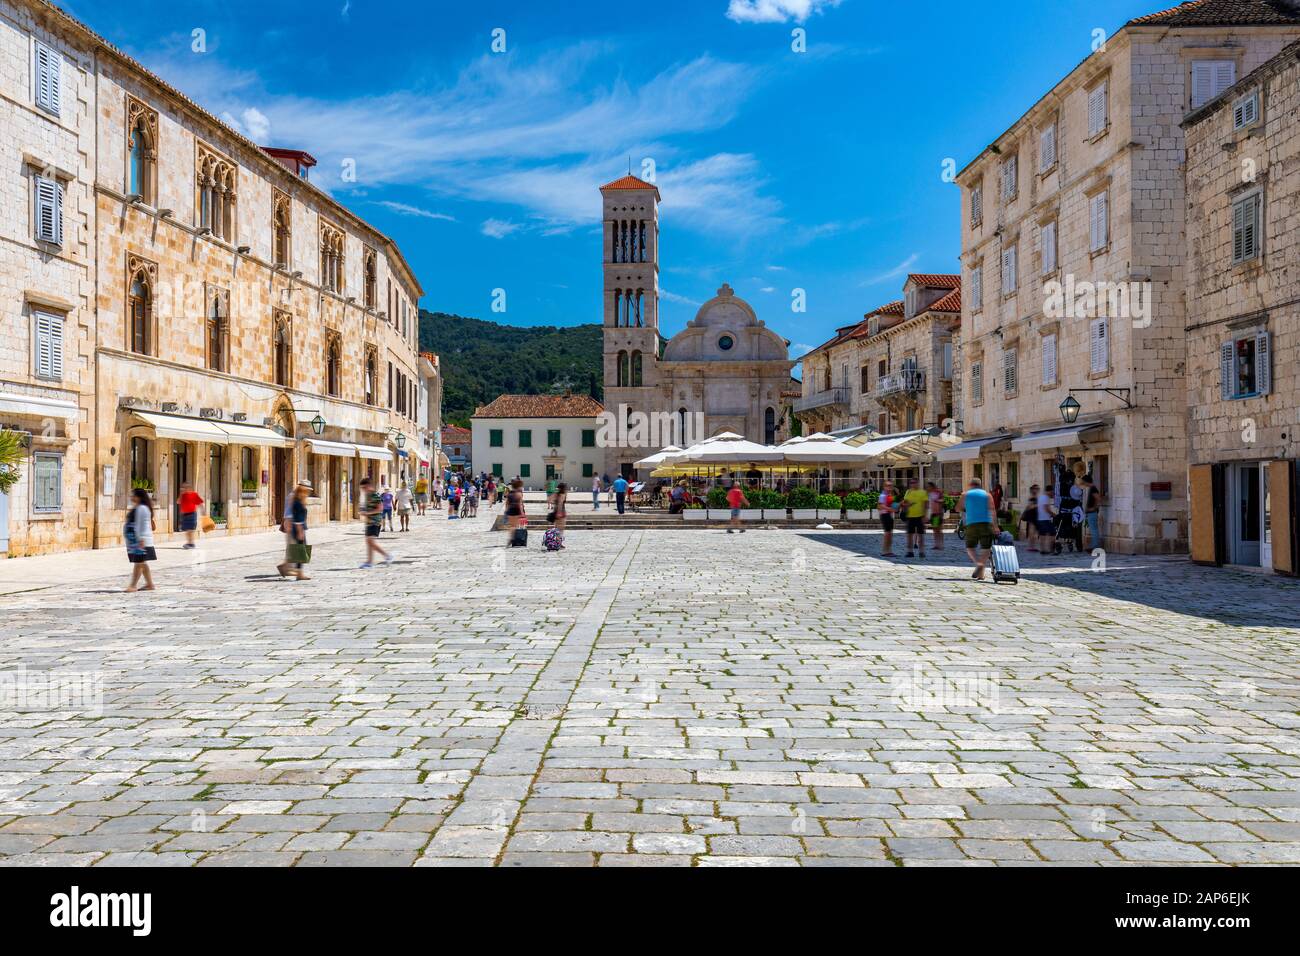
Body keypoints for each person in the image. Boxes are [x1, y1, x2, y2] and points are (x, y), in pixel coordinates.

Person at [958, 477, 996, 581]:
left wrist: (967, 508)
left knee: (970, 547)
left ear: (970, 485)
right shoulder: (988, 495)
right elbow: (992, 510)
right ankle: (981, 571)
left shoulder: (965, 495)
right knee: (986, 548)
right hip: (986, 523)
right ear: (980, 485)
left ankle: (979, 564)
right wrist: (995, 526)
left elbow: (957, 508)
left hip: (972, 524)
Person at [124, 486, 157, 592]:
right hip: (136, 540)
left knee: (139, 563)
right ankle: (149, 584)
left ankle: (133, 585)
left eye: (133, 495)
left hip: (141, 540)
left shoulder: (142, 508)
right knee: (142, 562)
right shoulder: (138, 507)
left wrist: (141, 539)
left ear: (138, 497)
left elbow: (141, 524)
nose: (131, 497)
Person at [277, 482, 311, 580]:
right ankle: (296, 572)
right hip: (297, 528)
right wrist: (300, 530)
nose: (308, 493)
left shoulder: (299, 500)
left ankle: (291, 569)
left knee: (299, 551)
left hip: (298, 528)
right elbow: (294, 516)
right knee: (301, 551)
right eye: (307, 491)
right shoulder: (296, 500)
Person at [358, 478, 391, 568]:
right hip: (369, 521)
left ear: (369, 486)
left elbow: (380, 508)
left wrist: (367, 513)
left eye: (364, 487)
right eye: (362, 488)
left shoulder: (375, 495)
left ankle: (386, 555)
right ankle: (369, 562)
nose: (363, 490)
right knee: (369, 542)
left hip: (375, 521)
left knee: (371, 542)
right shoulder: (367, 495)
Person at [901, 477, 929, 559]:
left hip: (920, 516)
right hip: (910, 516)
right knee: (909, 535)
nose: (913, 484)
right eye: (911, 482)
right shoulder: (908, 492)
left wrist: (925, 515)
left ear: (918, 483)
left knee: (921, 535)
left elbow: (926, 504)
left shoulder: (923, 492)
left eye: (914, 482)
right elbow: (904, 503)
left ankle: (921, 552)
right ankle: (910, 551)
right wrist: (906, 506)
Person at [177, 482, 203, 550]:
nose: (183, 489)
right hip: (184, 514)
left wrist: (203, 512)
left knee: (190, 530)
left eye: (185, 487)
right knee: (186, 530)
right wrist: (181, 494)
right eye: (183, 487)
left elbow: (200, 503)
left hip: (192, 514)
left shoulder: (194, 494)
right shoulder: (182, 495)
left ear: (189, 488)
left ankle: (191, 543)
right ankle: (189, 543)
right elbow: (178, 502)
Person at [1035, 483, 1058, 556]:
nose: (1052, 494)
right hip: (1045, 519)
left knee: (1042, 535)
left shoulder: (1040, 497)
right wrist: (1053, 514)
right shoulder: (1045, 498)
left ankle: (1043, 550)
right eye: (1052, 492)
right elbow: (1046, 508)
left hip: (1040, 519)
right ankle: (1052, 550)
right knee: (1053, 533)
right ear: (1049, 491)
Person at [878, 480, 897, 557]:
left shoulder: (889, 495)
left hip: (889, 515)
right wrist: (891, 509)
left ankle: (889, 550)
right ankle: (885, 551)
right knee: (887, 534)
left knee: (890, 534)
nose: (890, 487)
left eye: (890, 486)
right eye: (888, 486)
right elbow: (881, 506)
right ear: (884, 487)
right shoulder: (882, 495)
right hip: (885, 515)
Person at [1083, 475, 1102, 549]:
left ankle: (1095, 546)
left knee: (1094, 529)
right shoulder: (1091, 488)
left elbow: (1098, 499)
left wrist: (1093, 508)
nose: (1083, 484)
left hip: (1092, 513)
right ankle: (1094, 545)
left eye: (1084, 482)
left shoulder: (1093, 488)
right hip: (1090, 512)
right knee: (1093, 529)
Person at [926, 481, 945, 551]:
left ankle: (941, 545)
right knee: (934, 529)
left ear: (932, 486)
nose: (927, 488)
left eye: (928, 486)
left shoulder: (938, 492)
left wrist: (938, 500)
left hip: (938, 513)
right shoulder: (929, 494)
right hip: (933, 513)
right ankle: (936, 544)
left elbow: (943, 500)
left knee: (939, 530)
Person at [1021, 484, 1040, 552]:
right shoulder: (1032, 497)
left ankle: (1032, 546)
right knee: (1032, 532)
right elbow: (1030, 506)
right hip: (1032, 516)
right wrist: (1038, 505)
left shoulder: (1035, 496)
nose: (1037, 490)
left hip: (1034, 515)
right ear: (1033, 489)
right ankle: (1031, 546)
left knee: (1034, 532)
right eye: (1036, 488)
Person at [552, 481, 568, 548]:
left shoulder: (556, 494)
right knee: (561, 529)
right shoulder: (562, 495)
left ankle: (556, 541)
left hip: (555, 512)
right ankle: (559, 543)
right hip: (561, 512)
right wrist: (559, 513)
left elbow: (551, 500)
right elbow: (560, 504)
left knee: (556, 528)